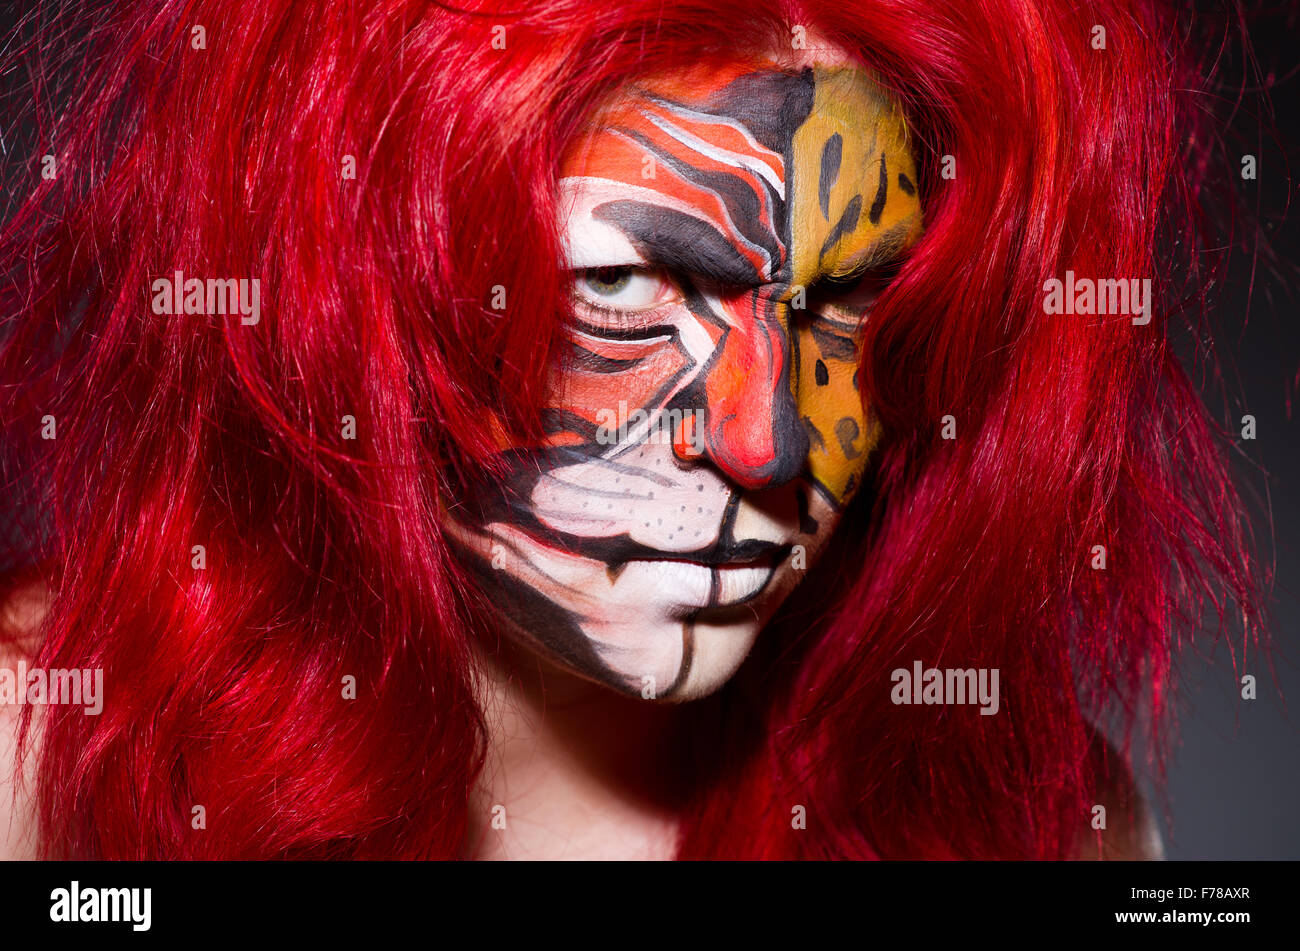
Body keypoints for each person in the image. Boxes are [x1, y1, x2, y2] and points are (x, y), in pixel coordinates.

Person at [0, 0, 1256, 859]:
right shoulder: (42, 747)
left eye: (850, 296)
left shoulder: (1037, 812)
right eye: (615, 287)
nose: (766, 445)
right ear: (347, 290)